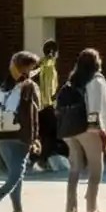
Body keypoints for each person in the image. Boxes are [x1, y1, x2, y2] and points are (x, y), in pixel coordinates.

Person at [0, 51, 41, 212]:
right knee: (16, 175)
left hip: (0, 136)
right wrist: (34, 139)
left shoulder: (0, 89)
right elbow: (32, 116)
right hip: (19, 136)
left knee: (16, 176)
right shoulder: (28, 87)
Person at [63, 48, 106, 212]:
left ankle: (70, 210)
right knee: (96, 169)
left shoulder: (73, 81)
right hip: (89, 129)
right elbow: (97, 107)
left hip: (69, 129)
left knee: (75, 168)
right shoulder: (96, 81)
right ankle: (91, 208)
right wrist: (99, 130)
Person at [30, 39, 60, 173]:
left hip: (37, 105)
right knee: (50, 134)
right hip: (47, 105)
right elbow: (50, 87)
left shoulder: (39, 64)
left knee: (41, 134)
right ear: (54, 52)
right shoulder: (49, 65)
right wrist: (52, 99)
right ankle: (42, 160)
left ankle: (36, 158)